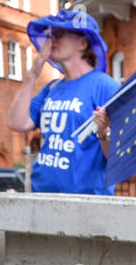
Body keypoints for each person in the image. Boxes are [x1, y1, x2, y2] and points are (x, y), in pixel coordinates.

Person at [7, 11, 120, 196]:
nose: (51, 41)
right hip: (43, 198)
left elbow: (117, 157)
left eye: (59, 34)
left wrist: (103, 132)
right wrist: (33, 74)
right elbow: (17, 123)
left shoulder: (104, 86)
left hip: (86, 204)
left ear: (83, 43)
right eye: (50, 35)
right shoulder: (52, 88)